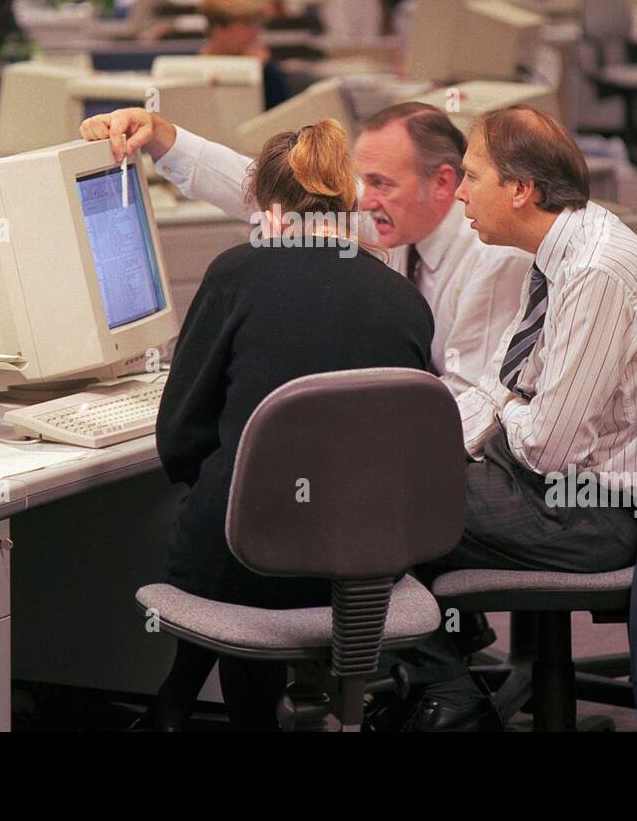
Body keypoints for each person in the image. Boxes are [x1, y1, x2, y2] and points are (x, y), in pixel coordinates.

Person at [386, 104, 637, 731]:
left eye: (472, 177)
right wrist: (468, 425)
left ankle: (450, 694)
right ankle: (447, 666)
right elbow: (507, 385)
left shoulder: (593, 273)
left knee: (369, 505)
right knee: (395, 465)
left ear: (521, 190)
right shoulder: (564, 247)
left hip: (594, 511)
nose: (460, 192)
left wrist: (502, 410)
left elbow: (547, 446)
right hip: (563, 482)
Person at [150, 119, 435, 730]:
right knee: (255, 520)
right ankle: (180, 701)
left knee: (229, 521)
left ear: (271, 213)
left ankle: (179, 703)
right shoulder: (404, 298)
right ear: (350, 205)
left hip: (247, 560)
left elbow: (178, 438)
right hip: (365, 573)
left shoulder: (236, 275)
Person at [80, 101, 531, 399]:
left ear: (443, 184)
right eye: (363, 180)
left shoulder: (492, 257)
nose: (361, 199)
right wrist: (160, 134)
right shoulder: (395, 212)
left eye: (380, 183)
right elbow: (268, 190)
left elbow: (471, 405)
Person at [197, 0, 290, 110]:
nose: (256, 32)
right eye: (248, 23)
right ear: (219, 27)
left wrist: (263, 72)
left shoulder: (266, 71)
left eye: (258, 23)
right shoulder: (186, 72)